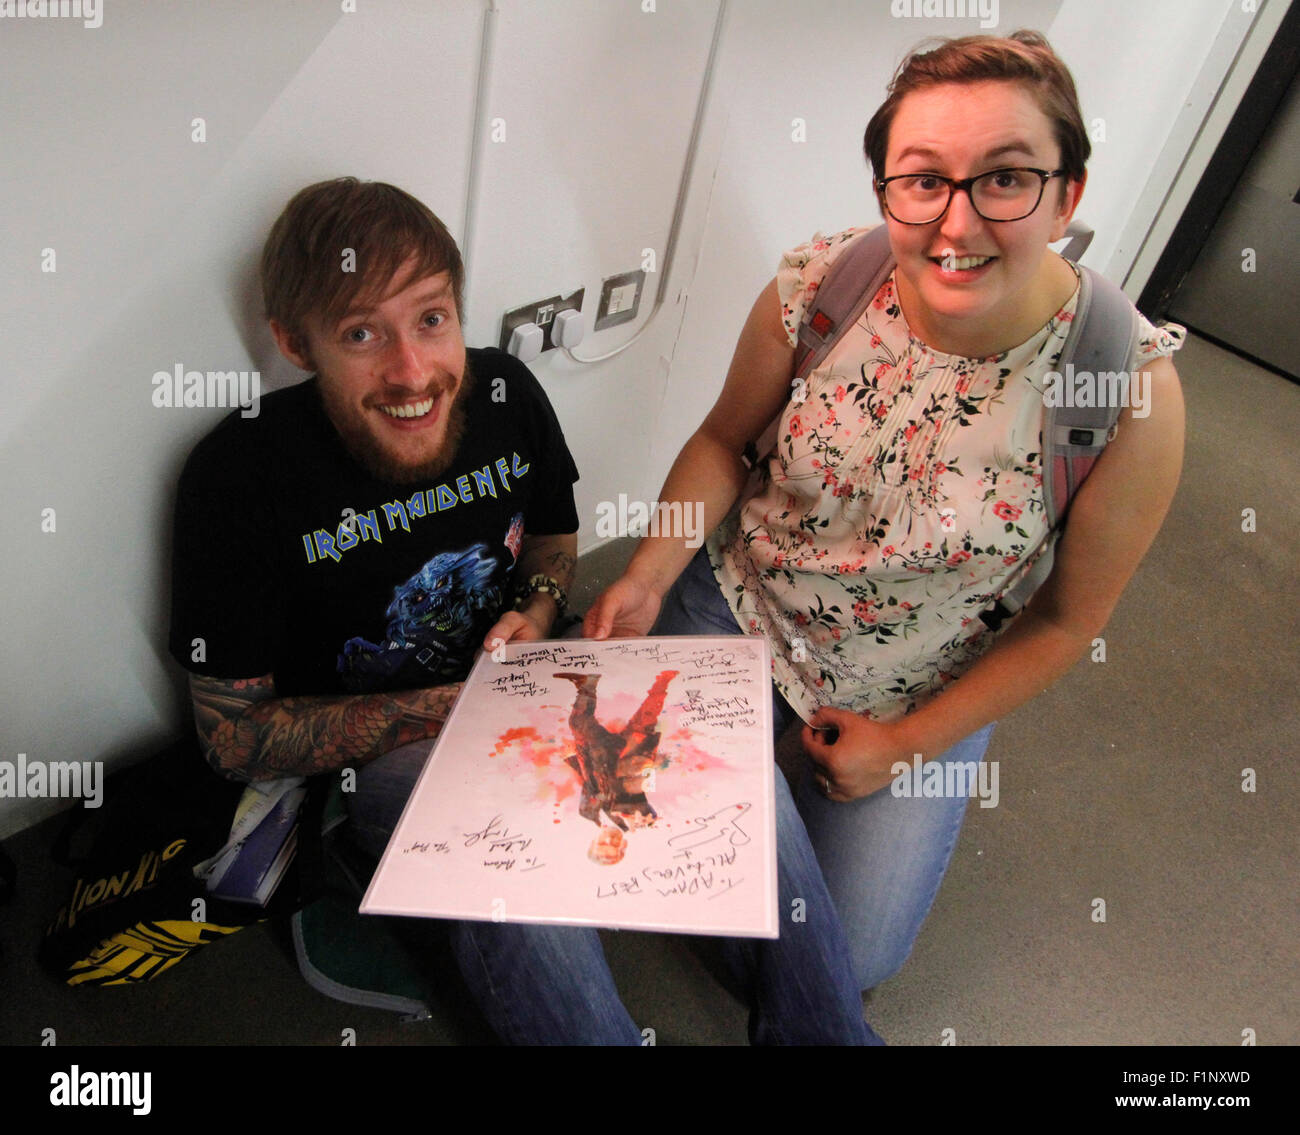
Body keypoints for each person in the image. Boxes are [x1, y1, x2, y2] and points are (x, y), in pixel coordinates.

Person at [169, 176, 877, 1045]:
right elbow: (232, 737)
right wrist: (447, 708)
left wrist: (541, 613)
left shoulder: (504, 392)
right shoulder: (237, 477)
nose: (412, 371)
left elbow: (550, 547)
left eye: (431, 318)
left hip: (540, 677)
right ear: (295, 342)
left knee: (740, 780)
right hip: (390, 747)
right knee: (522, 897)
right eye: (361, 333)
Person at [585, 30, 1186, 993]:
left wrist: (908, 743)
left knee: (852, 958)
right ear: (885, 191)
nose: (956, 223)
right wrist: (649, 575)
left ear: (1068, 194)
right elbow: (721, 446)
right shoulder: (824, 285)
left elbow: (1070, 620)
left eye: (1004, 179)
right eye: (921, 179)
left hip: (915, 679)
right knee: (601, 807)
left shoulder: (1120, 388)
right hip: (741, 604)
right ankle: (743, 786)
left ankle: (754, 799)